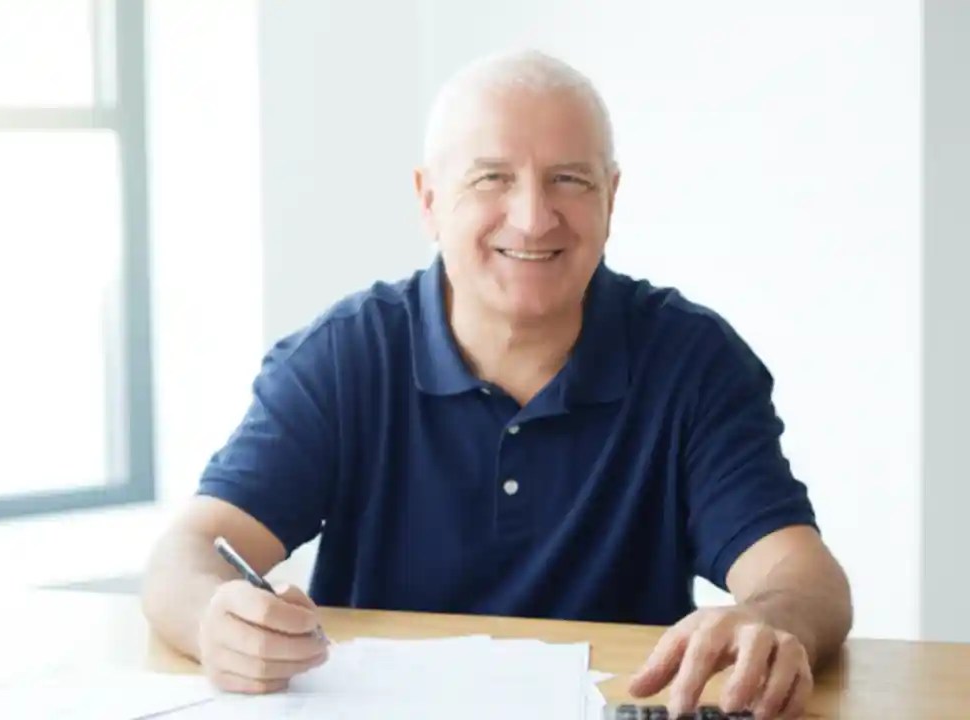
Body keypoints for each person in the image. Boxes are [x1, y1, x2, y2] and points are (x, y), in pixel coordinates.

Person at [141, 49, 852, 719]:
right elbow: (188, 552)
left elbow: (804, 576)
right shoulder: (344, 357)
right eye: (492, 179)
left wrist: (769, 619)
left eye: (569, 179)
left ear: (612, 196)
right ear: (428, 200)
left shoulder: (692, 360)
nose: (534, 216)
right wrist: (214, 619)